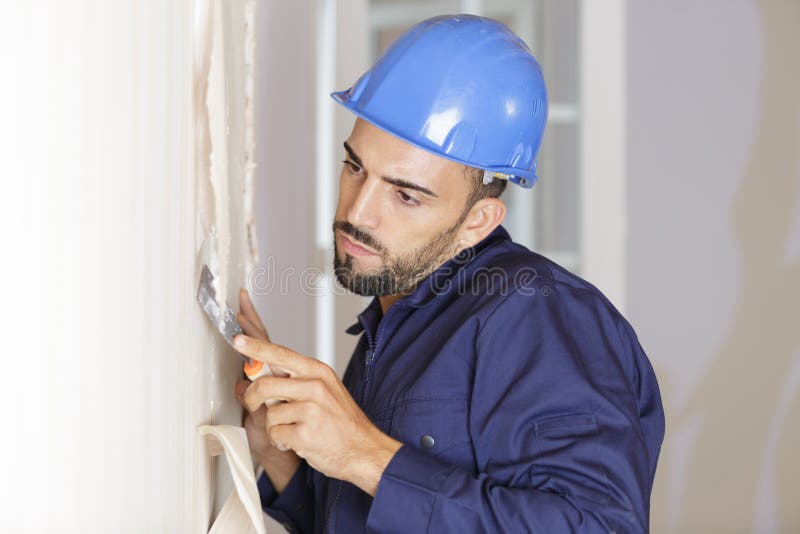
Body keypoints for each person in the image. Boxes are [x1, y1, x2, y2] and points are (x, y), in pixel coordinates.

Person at [233, 14, 664, 533]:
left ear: (476, 222)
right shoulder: (392, 325)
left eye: (406, 194)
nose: (358, 212)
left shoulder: (536, 313)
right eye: (354, 168)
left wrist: (364, 455)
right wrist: (280, 449)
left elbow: (602, 527)